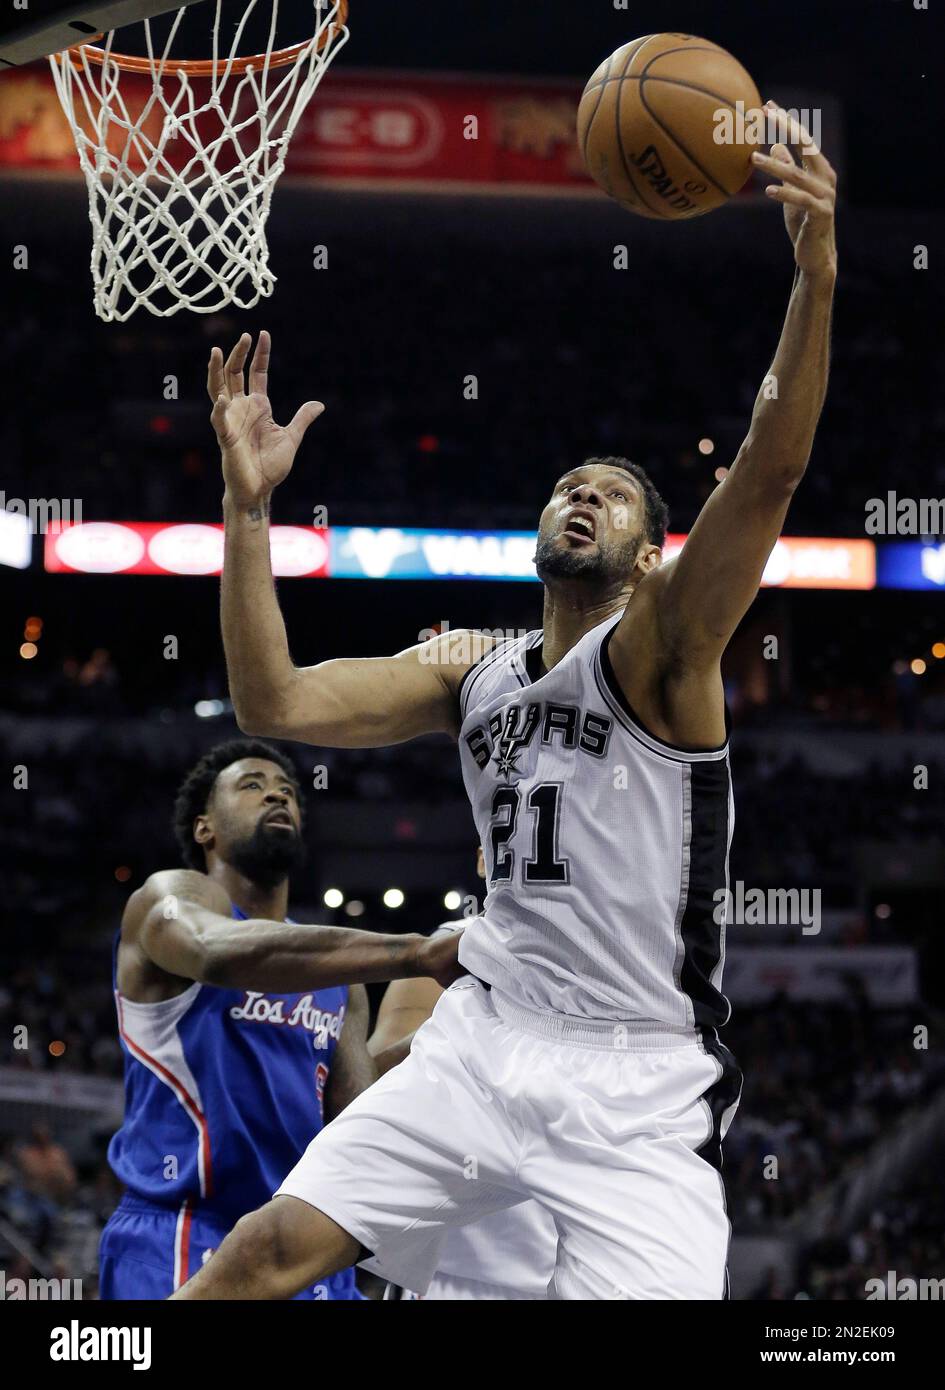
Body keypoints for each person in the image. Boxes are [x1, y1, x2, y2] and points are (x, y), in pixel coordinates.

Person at [175, 110, 837, 1301]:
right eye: (567, 488)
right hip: (488, 1038)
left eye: (614, 499)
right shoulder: (469, 670)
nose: (582, 500)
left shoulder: (666, 654)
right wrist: (247, 512)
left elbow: (770, 468)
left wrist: (815, 275)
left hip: (635, 1082)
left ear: (650, 558)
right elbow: (267, 693)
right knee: (262, 1254)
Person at [99, 738, 461, 1299]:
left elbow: (355, 1123)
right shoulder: (167, 900)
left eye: (288, 791)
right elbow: (217, 950)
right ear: (204, 828)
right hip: (185, 1233)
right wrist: (416, 951)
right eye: (252, 786)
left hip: (300, 1244)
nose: (277, 795)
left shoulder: (339, 977)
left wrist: (467, 1025)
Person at [370, 851, 558, 1301]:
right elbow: (372, 1080)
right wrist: (481, 1010)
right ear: (483, 859)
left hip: (570, 1262)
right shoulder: (449, 950)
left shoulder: (608, 962)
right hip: (452, 1270)